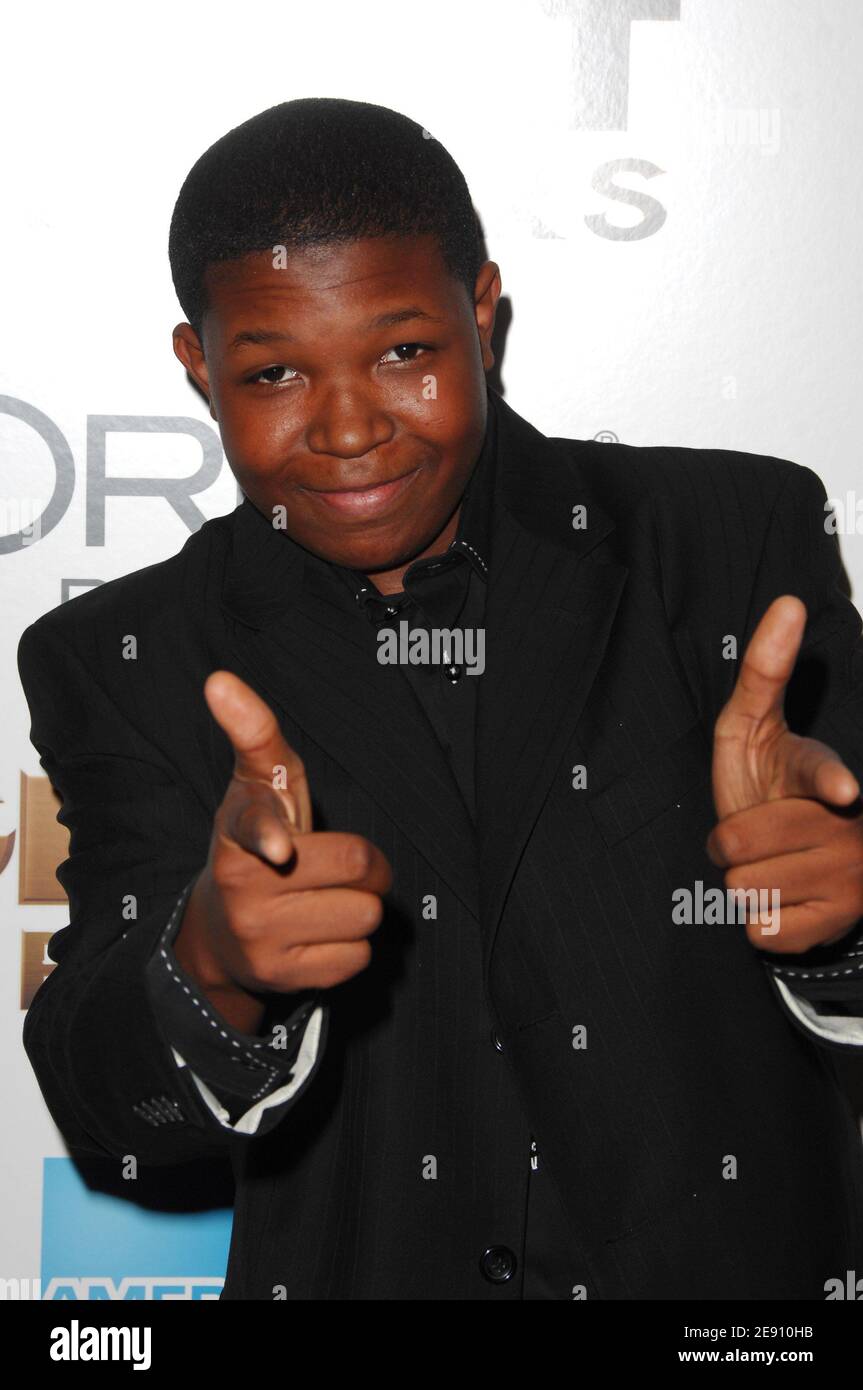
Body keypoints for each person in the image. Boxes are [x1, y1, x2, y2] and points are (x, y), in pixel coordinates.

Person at [17, 97, 863, 1300]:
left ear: (481, 310)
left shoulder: (725, 544)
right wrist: (205, 969)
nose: (351, 427)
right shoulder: (124, 651)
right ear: (197, 365)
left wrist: (845, 926)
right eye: (273, 372)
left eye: (403, 350)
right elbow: (107, 1102)